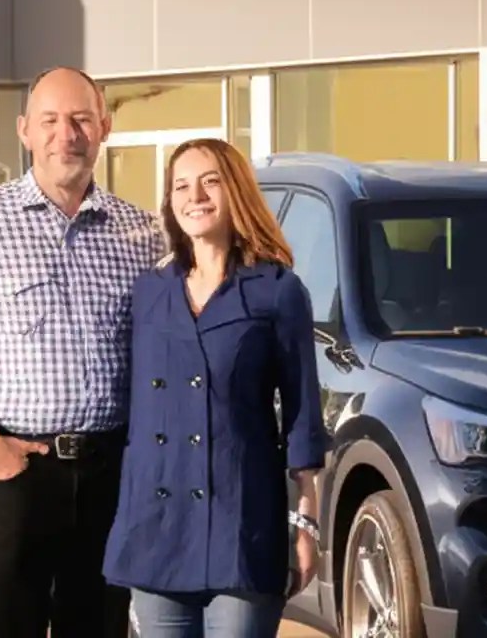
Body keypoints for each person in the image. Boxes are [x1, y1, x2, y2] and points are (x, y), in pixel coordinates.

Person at [0, 66, 167, 638]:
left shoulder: (143, 235)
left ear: (104, 128)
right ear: (24, 130)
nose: (65, 134)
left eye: (79, 120)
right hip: (15, 479)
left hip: (109, 479)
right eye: (49, 120)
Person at [102, 138, 326, 637]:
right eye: (181, 185)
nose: (194, 196)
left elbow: (302, 416)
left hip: (241, 523)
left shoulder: (276, 289)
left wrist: (306, 522)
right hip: (156, 525)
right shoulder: (149, 292)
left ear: (237, 192)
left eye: (210, 181)